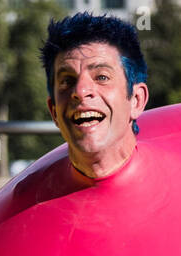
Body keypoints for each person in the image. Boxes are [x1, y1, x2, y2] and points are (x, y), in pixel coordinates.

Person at [38, 12, 149, 182]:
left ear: (136, 100)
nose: (80, 91)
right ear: (54, 111)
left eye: (101, 77)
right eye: (67, 81)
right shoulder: (26, 203)